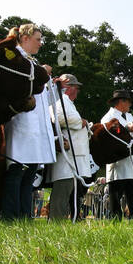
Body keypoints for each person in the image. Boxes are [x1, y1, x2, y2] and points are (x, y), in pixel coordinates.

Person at [1, 24, 61, 220]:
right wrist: (40, 72)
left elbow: (45, 100)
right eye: (38, 38)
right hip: (22, 127)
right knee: (16, 172)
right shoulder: (15, 59)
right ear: (25, 38)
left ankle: (25, 217)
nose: (40, 43)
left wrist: (53, 85)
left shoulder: (31, 62)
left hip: (36, 130)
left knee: (29, 177)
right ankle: (11, 217)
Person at [49, 73, 94, 220]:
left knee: (68, 190)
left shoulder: (68, 102)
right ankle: (56, 222)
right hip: (67, 155)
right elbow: (57, 117)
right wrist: (80, 122)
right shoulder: (60, 99)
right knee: (62, 190)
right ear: (68, 87)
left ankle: (60, 221)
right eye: (76, 87)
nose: (78, 91)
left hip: (74, 155)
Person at [102, 89, 133, 220]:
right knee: (116, 193)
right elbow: (108, 135)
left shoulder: (130, 116)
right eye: (128, 102)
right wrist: (127, 129)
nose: (130, 105)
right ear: (121, 102)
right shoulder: (108, 117)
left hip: (131, 160)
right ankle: (115, 218)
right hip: (118, 161)